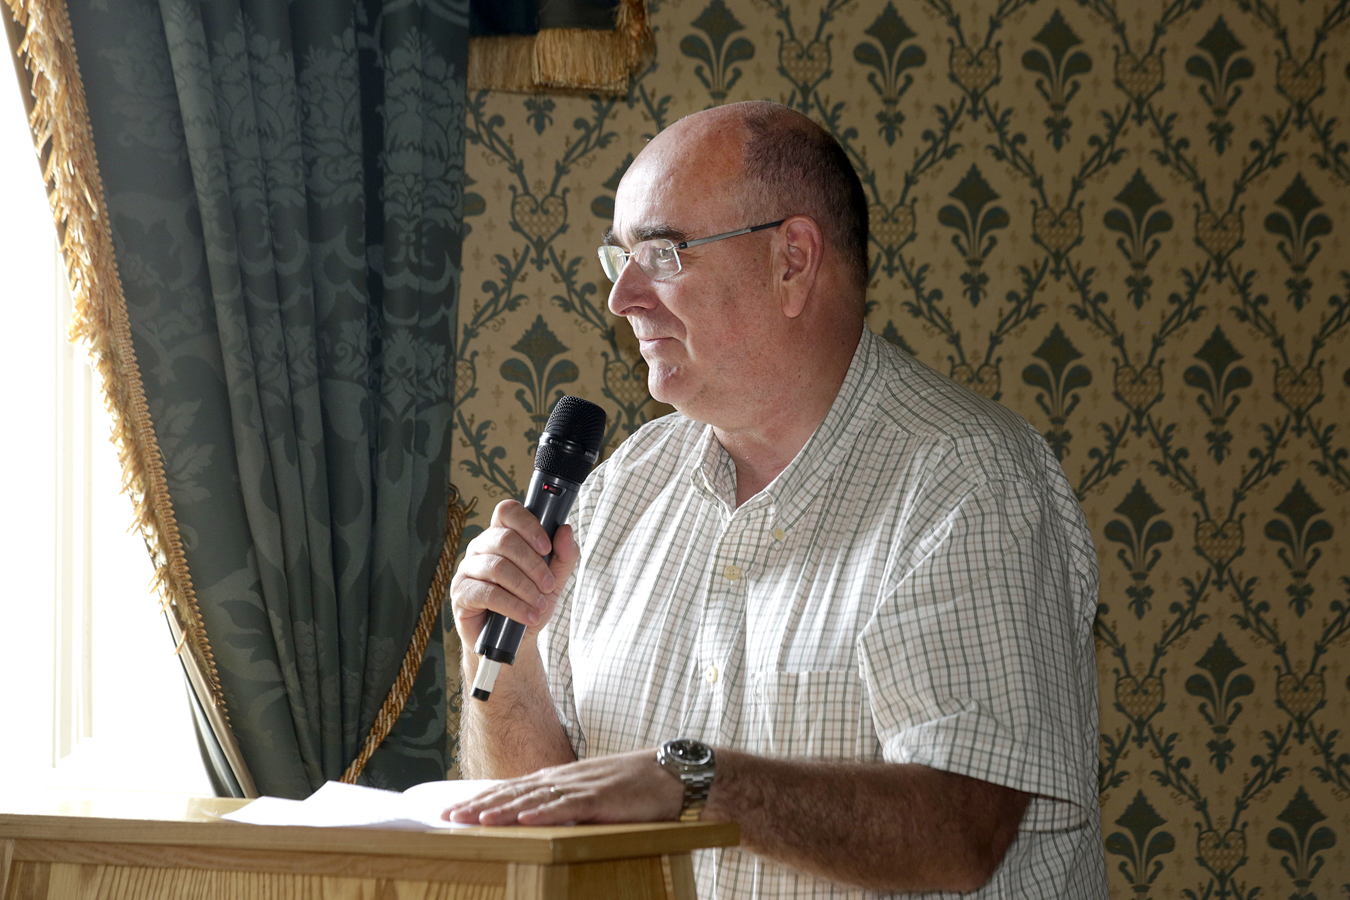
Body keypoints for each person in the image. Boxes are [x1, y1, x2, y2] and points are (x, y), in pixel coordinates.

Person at [445, 100, 1108, 899]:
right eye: (617, 257)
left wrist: (699, 784)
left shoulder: (967, 481)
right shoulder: (620, 490)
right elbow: (543, 827)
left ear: (792, 260)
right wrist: (501, 666)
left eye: (660, 253)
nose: (621, 298)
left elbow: (960, 831)